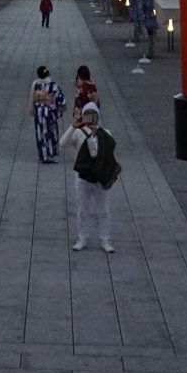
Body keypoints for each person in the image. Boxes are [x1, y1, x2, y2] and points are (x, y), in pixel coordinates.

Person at [61, 102, 119, 252]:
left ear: (98, 116)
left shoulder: (105, 133)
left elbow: (109, 151)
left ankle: (105, 240)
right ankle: (82, 238)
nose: (90, 117)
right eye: (87, 114)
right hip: (82, 176)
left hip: (99, 176)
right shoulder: (78, 132)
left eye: (93, 114)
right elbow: (62, 143)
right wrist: (73, 126)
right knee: (83, 209)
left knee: (103, 209)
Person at [31, 65, 65, 163]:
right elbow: (60, 99)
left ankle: (43, 155)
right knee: (50, 132)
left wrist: (33, 108)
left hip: (39, 112)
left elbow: (32, 99)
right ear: (48, 74)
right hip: (49, 112)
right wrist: (59, 110)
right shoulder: (53, 85)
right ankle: (50, 154)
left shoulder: (36, 84)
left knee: (40, 132)